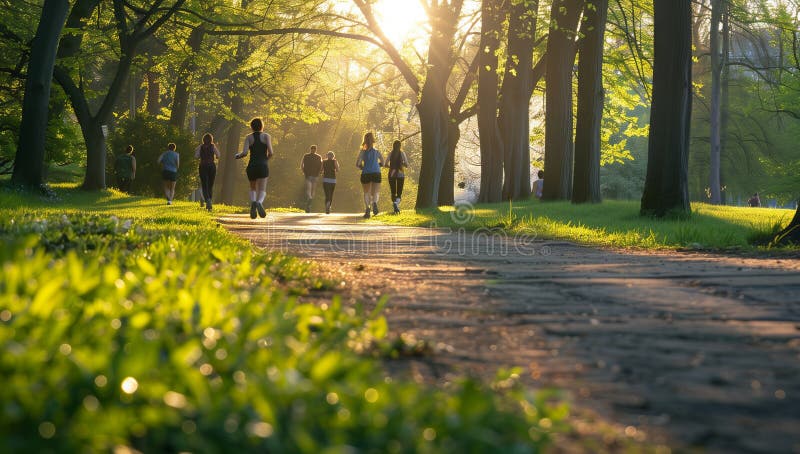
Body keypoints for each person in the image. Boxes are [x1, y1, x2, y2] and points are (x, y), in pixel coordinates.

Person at [235, 117, 274, 219]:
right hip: (263, 166)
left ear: (251, 127)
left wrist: (237, 156)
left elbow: (244, 153)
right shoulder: (266, 136)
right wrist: (265, 160)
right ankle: (259, 202)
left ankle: (253, 202)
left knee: (253, 186)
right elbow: (271, 152)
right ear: (262, 126)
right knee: (262, 188)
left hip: (252, 166)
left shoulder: (248, 137)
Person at [355, 132, 384, 218]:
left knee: (366, 192)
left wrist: (362, 167)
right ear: (373, 140)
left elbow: (358, 163)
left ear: (364, 141)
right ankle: (374, 203)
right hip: (376, 172)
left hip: (366, 173)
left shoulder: (362, 152)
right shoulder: (377, 151)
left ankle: (367, 208)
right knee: (376, 192)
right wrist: (377, 166)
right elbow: (383, 162)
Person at [195, 133, 220, 211]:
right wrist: (215, 156)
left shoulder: (200, 147)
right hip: (212, 166)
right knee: (210, 185)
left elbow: (196, 156)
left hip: (203, 166)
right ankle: (209, 202)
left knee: (204, 184)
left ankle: (208, 200)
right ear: (211, 139)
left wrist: (200, 155)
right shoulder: (213, 146)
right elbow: (218, 155)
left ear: (203, 139)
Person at [385, 140, 409, 214]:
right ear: (400, 146)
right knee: (399, 192)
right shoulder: (402, 153)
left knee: (393, 191)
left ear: (393, 146)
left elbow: (385, 164)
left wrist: (391, 167)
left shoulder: (390, 153)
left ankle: (395, 204)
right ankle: (396, 204)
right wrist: (402, 164)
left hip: (392, 173)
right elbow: (407, 165)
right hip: (400, 173)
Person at [300, 145, 323, 212]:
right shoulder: (319, 157)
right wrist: (320, 172)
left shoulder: (306, 156)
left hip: (308, 175)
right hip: (315, 175)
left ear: (310, 149)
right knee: (313, 190)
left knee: (308, 189)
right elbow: (321, 165)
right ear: (316, 150)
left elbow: (301, 165)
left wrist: (303, 171)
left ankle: (309, 198)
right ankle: (310, 202)